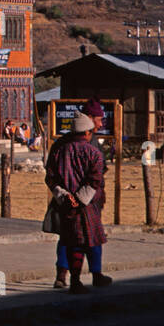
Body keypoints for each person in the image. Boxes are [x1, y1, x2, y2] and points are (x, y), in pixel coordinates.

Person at [45, 112, 112, 293]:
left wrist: (65, 196)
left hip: (66, 205)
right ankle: (93, 276)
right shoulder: (94, 153)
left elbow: (50, 178)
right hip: (88, 204)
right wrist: (81, 199)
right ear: (88, 133)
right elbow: (95, 179)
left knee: (71, 241)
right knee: (90, 240)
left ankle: (74, 280)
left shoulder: (59, 151)